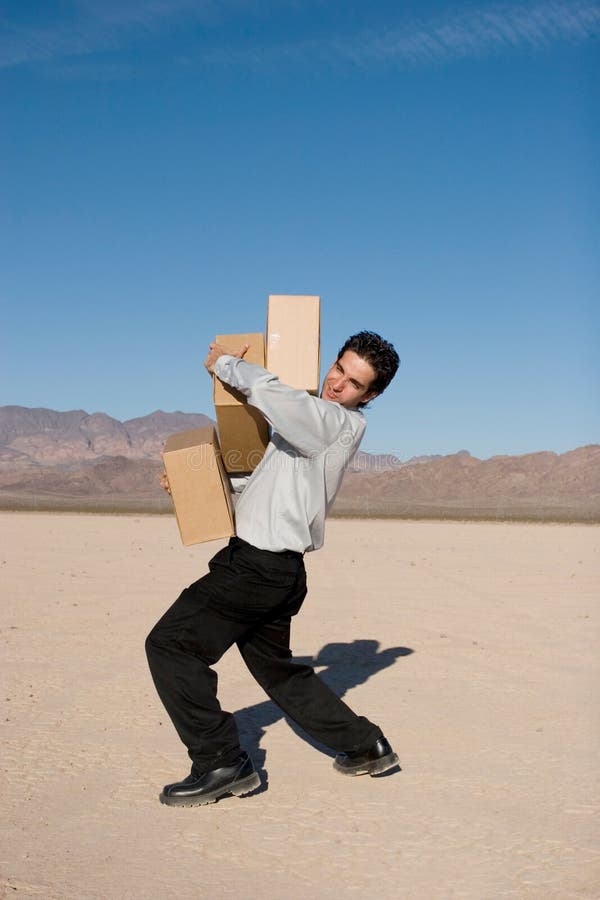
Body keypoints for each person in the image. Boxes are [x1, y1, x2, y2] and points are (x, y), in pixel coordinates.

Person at [145, 330, 400, 807]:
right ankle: (366, 744)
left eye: (354, 383)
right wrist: (194, 485)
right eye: (338, 369)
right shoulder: (309, 431)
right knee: (278, 671)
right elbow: (266, 490)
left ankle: (220, 762)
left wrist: (225, 364)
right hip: (278, 571)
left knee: (170, 646)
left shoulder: (332, 421)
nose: (337, 383)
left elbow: (272, 393)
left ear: (369, 396)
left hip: (256, 570)